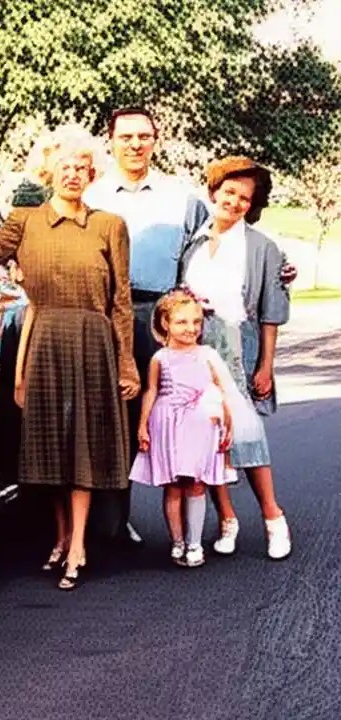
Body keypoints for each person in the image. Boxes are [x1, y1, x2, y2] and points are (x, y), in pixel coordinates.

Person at [82, 107, 296, 551]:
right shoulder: (94, 194)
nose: (135, 144)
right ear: (112, 140)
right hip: (121, 317)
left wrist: (281, 270)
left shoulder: (181, 198)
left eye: (144, 136)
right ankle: (119, 523)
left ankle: (252, 519)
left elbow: (242, 262)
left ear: (155, 140)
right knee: (139, 420)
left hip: (193, 328)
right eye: (126, 136)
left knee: (218, 423)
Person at [0, 130, 139, 590]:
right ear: (49, 173)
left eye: (81, 168)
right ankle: (62, 535)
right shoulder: (25, 220)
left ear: (91, 175)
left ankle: (80, 545)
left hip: (93, 339)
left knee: (83, 443)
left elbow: (121, 301)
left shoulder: (110, 225)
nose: (72, 174)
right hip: (43, 336)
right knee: (51, 445)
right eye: (64, 166)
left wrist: (126, 363)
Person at [179, 156, 292, 560]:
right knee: (207, 436)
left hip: (236, 344)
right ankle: (226, 518)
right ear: (214, 191)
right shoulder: (192, 239)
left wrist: (266, 365)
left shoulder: (263, 248)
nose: (235, 202)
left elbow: (272, 310)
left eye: (245, 198)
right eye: (229, 192)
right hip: (193, 346)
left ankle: (273, 518)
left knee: (245, 433)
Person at [128, 288, 254, 567]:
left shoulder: (207, 354)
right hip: (168, 422)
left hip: (200, 425)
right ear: (166, 324)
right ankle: (177, 540)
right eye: (182, 322)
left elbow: (224, 390)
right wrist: (143, 426)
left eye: (196, 322)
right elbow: (151, 391)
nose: (191, 328)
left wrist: (229, 423)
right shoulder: (159, 358)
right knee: (173, 485)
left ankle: (195, 543)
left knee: (196, 483)